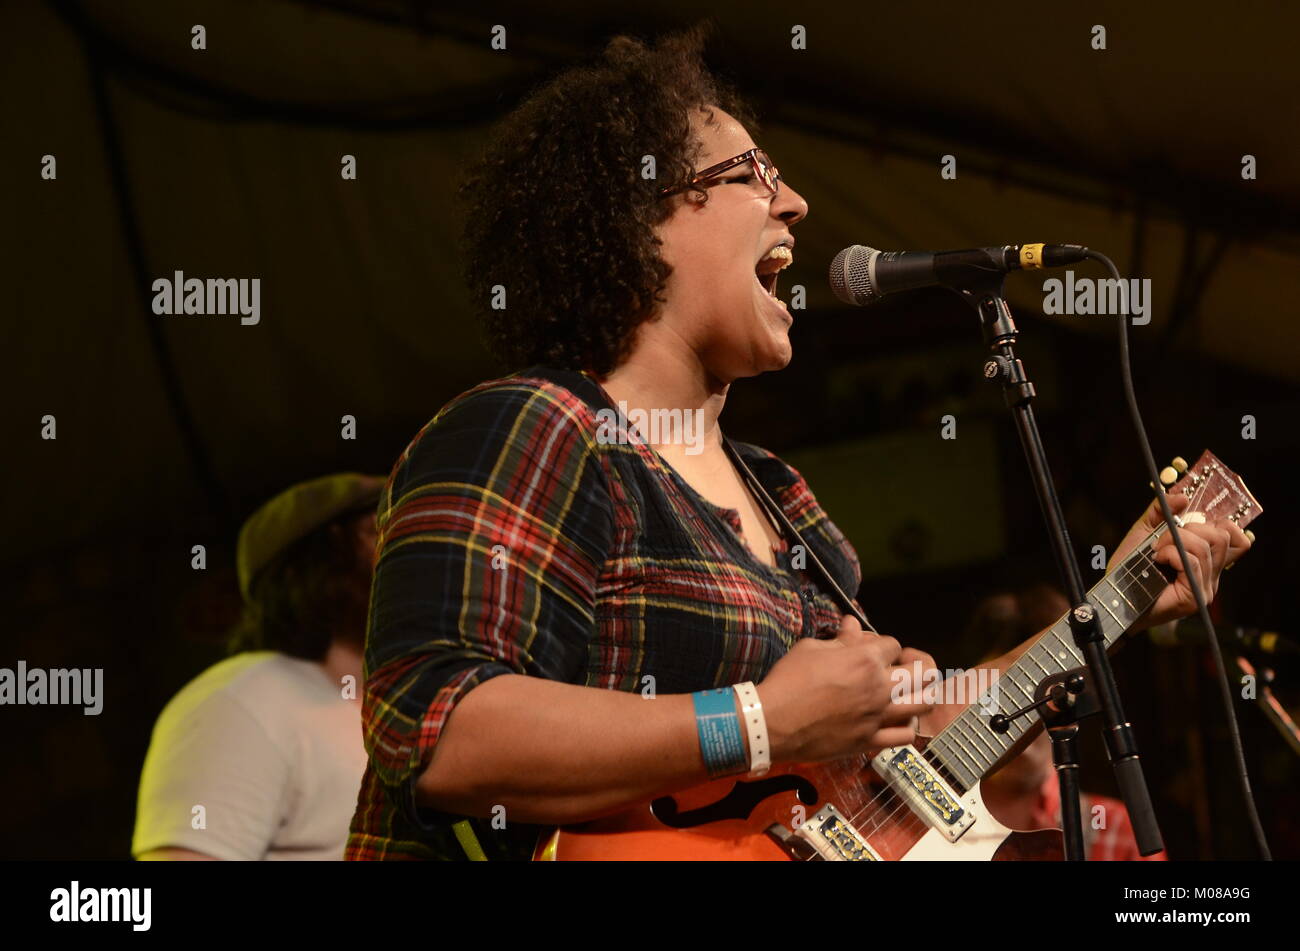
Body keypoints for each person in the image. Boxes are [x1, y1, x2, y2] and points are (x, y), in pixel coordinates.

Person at [346, 28, 1248, 861]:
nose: (797, 200)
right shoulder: (536, 426)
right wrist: (761, 720)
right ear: (643, 212)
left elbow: (905, 733)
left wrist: (1114, 600)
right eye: (754, 172)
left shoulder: (779, 491)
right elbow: (438, 728)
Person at [133, 473, 382, 860]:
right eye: (378, 530)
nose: (415, 550)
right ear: (321, 562)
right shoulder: (246, 699)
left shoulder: (398, 703)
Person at [964, 586, 1167, 861]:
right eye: (999, 694)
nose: (1019, 714)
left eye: (1035, 692)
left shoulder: (1115, 828)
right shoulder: (928, 832)